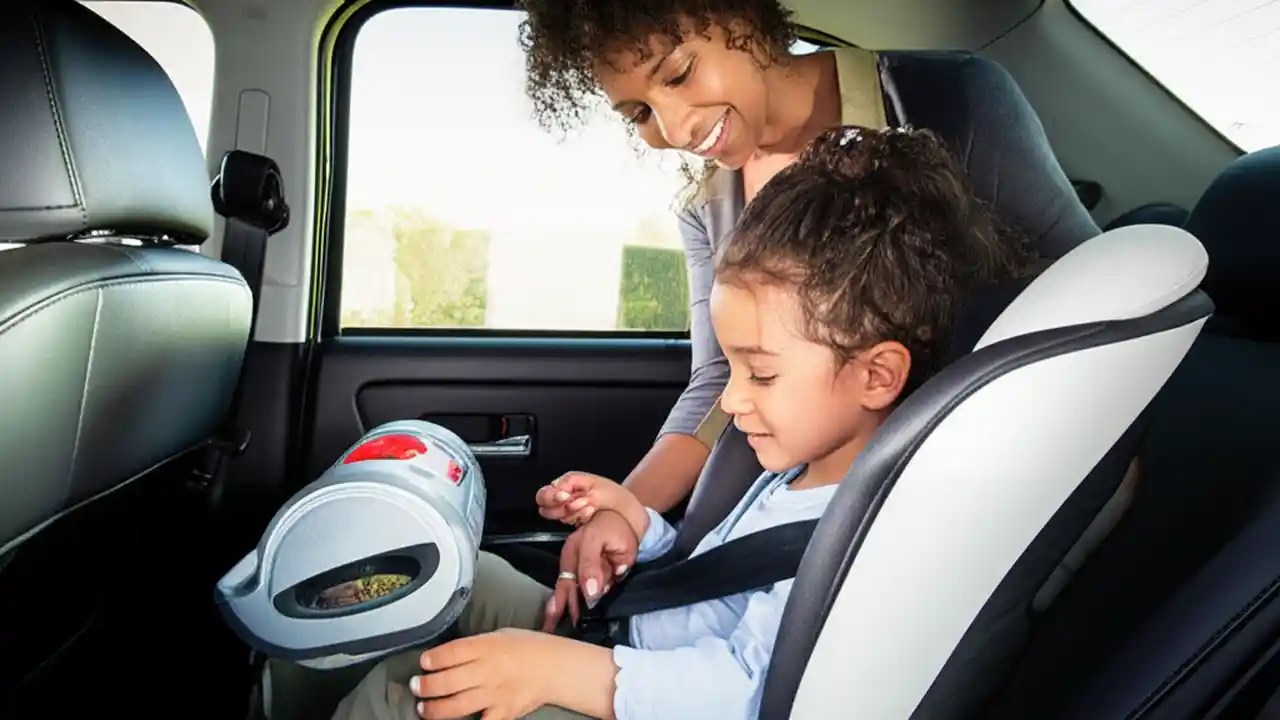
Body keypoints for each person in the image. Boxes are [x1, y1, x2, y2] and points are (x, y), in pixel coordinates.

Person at [322, 125, 1037, 720]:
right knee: (454, 577)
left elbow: (746, 688)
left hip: (647, 696)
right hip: (633, 651)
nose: (730, 401)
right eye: (730, 370)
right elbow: (713, 576)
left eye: (761, 372)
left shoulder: (862, 538)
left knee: (406, 697)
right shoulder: (794, 469)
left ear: (875, 375)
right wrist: (635, 521)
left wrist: (559, 673)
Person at [516, 0, 1097, 620]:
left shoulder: (949, 102)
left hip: (939, 507)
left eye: (680, 74)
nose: (676, 130)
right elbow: (719, 383)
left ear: (739, 17)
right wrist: (626, 510)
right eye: (640, 113)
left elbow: (1097, 301)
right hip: (772, 515)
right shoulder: (707, 203)